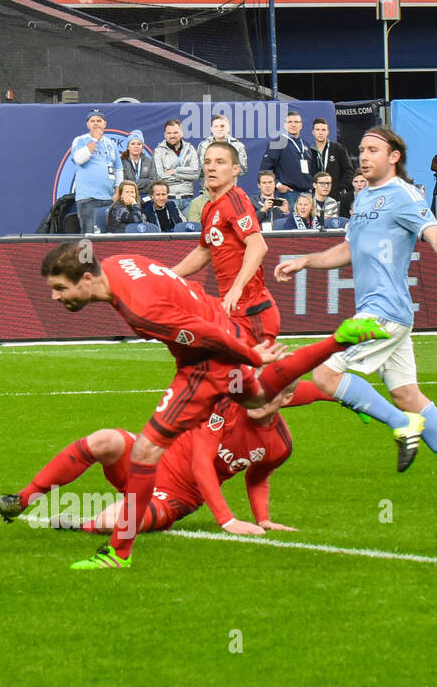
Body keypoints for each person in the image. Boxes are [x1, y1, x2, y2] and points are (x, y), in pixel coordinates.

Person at [25, 239, 386, 568]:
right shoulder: (122, 265)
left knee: (143, 459)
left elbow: (206, 338)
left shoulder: (143, 312)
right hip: (221, 333)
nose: (56, 297)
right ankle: (337, 341)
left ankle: (110, 548)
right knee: (255, 398)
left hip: (203, 372)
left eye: (59, 288)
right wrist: (344, 396)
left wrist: (251, 356)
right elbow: (286, 390)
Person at [275, 125, 436, 472]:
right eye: (361, 149)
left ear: (394, 157)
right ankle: (406, 417)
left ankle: (401, 424)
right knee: (408, 395)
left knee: (324, 375)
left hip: (385, 312)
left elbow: (432, 233)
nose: (363, 156)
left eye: (373, 150)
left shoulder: (405, 194)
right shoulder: (362, 196)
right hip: (380, 310)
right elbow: (349, 248)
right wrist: (305, 261)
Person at [0, 387, 296, 537]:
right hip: (148, 458)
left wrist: (262, 517)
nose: (259, 397)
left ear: (287, 397)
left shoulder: (280, 444)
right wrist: (227, 521)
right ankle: (21, 500)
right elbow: (202, 462)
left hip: (176, 497)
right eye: (258, 388)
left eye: (270, 393)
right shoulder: (226, 404)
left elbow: (258, 477)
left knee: (117, 521)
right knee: (105, 439)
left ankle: (80, 524)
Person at [171, 142, 277, 340]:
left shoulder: (235, 200)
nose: (211, 167)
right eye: (208, 162)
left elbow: (258, 245)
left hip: (252, 311)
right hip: (232, 309)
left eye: (220, 162)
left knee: (254, 371)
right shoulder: (209, 209)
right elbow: (204, 251)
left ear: (236, 170)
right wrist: (170, 275)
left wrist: (237, 287)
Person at [70, 109, 122, 234]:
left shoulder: (111, 144)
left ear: (105, 124)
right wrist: (94, 140)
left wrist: (117, 192)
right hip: (89, 198)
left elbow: (118, 169)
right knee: (90, 236)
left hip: (108, 198)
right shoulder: (80, 140)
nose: (96, 123)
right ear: (87, 125)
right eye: (92, 121)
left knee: (108, 236)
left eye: (99, 120)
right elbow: (79, 159)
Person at [260, 109, 314, 195]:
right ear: (285, 125)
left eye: (296, 122)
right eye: (290, 122)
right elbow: (265, 168)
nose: (293, 125)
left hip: (306, 193)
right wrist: (278, 185)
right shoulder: (278, 142)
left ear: (301, 125)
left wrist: (310, 185)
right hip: (288, 193)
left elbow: (311, 169)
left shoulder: (305, 144)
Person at [152, 118, 200, 211]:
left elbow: (196, 174)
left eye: (175, 132)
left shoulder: (190, 149)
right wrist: (185, 177)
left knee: (190, 225)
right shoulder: (158, 151)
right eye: (169, 133)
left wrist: (175, 171)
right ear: (165, 135)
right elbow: (160, 177)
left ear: (181, 133)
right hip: (169, 200)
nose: (172, 136)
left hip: (188, 199)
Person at [309, 116, 353, 200]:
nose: (320, 133)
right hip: (315, 196)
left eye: (323, 130)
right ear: (313, 132)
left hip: (335, 195)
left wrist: (339, 188)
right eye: (317, 130)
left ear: (328, 132)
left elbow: (348, 171)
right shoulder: (309, 150)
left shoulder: (337, 148)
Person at [120, 130, 157, 199]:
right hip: (128, 196)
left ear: (142, 147)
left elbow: (153, 181)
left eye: (139, 144)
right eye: (133, 144)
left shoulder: (149, 161)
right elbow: (123, 183)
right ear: (128, 146)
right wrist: (145, 182)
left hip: (146, 196)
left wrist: (133, 184)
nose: (136, 146)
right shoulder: (122, 162)